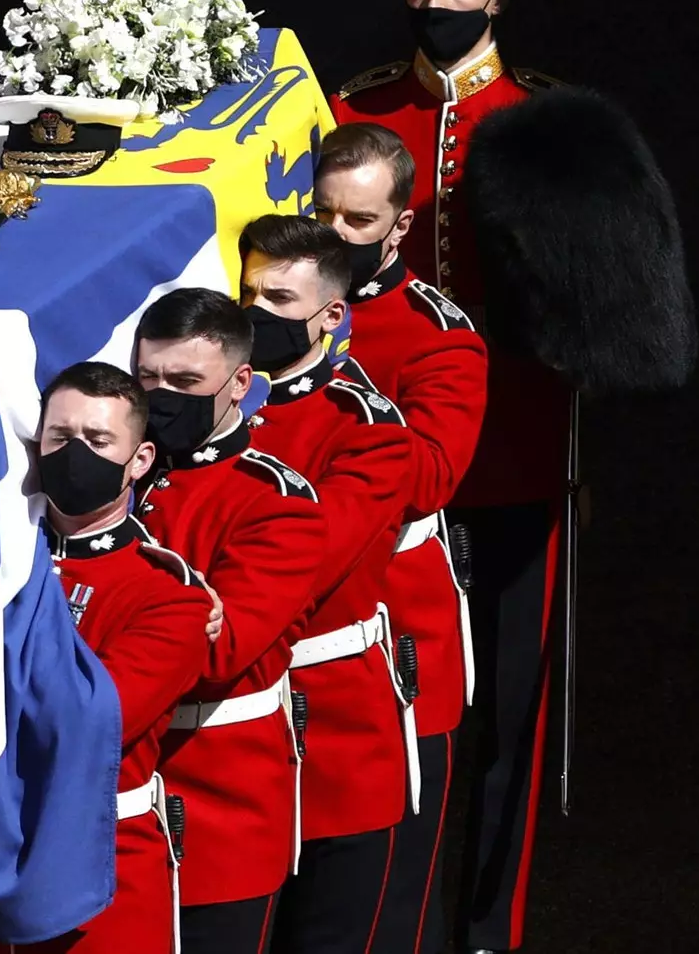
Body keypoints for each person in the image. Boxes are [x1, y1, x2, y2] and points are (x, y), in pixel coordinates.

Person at [330, 0, 570, 952]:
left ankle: (486, 925)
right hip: (381, 452)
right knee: (390, 703)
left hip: (512, 449)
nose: (435, 9)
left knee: (507, 716)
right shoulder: (357, 107)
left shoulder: (545, 122)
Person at [0, 362, 215, 954]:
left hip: (98, 859)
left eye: (99, 440)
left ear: (138, 461)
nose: (74, 453)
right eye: (59, 438)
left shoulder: (169, 595)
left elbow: (80, 724)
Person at [312, 123, 490, 954]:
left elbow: (427, 478)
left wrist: (323, 380)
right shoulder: (274, 305)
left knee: (385, 910)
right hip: (299, 629)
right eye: (324, 216)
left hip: (395, 640)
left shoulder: (439, 335)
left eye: (358, 222)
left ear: (399, 225)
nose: (337, 236)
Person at [232, 215, 418, 954]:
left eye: (280, 298)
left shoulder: (366, 427)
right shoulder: (220, 409)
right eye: (249, 295)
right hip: (243, 737)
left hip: (334, 717)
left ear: (331, 315)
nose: (257, 314)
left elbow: (304, 562)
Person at [131, 288, 328, 954]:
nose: (162, 398)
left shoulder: (277, 503)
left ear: (240, 383)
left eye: (185, 382)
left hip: (214, 796)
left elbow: (220, 652)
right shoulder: (118, 473)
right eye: (147, 379)